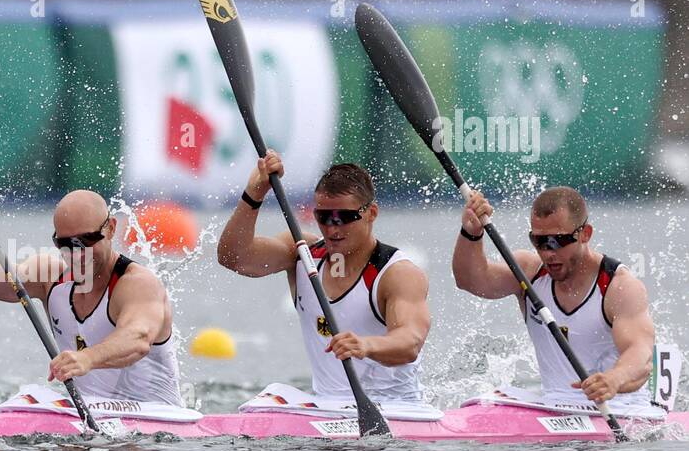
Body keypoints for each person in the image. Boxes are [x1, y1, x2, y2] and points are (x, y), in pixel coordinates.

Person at [217, 151, 433, 410]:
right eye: (323, 217)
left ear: (371, 213)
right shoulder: (300, 253)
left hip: (395, 407)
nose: (333, 228)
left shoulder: (397, 274)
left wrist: (366, 344)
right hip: (326, 406)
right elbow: (234, 258)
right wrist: (254, 193)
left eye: (344, 217)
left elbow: (410, 342)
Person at [0, 178, 183, 405]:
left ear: (110, 229)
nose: (77, 254)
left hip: (151, 431)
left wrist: (87, 357)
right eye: (66, 244)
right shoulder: (50, 277)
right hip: (91, 427)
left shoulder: (138, 284)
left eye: (86, 240)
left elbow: (138, 339)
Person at [452, 185, 657, 414]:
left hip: (617, 410)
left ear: (585, 234)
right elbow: (471, 281)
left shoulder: (618, 287)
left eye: (558, 241)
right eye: (539, 241)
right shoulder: (529, 272)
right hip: (554, 407)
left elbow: (641, 355)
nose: (548, 252)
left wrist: (613, 379)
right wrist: (471, 232)